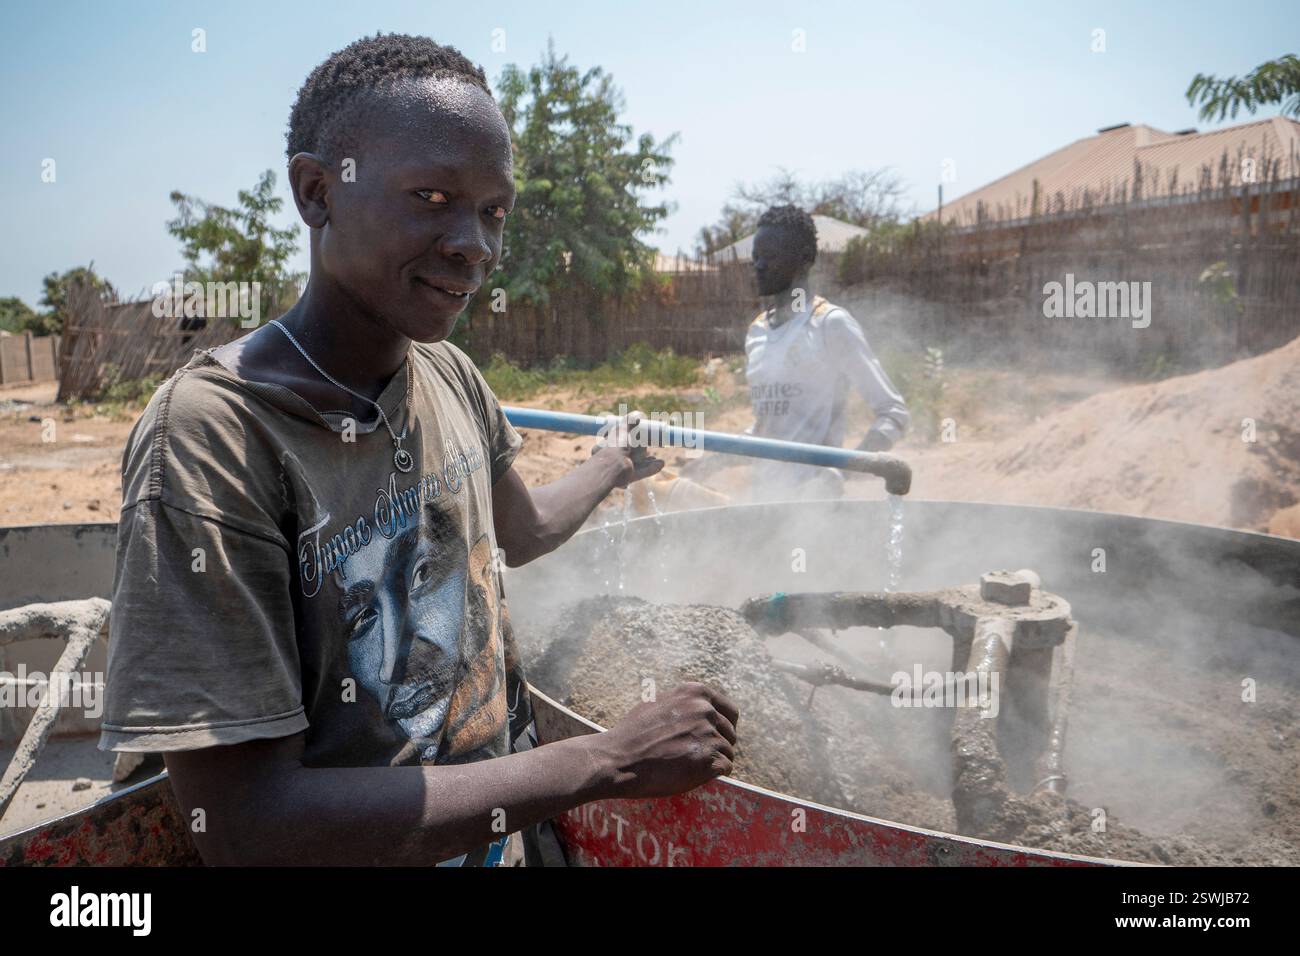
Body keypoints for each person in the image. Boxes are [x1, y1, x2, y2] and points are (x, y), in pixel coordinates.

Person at [98, 33, 738, 867]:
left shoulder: (447, 373)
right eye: (433, 196)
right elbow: (248, 825)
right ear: (318, 192)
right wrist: (603, 761)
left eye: (494, 210)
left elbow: (522, 530)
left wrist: (611, 464)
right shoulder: (215, 437)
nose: (476, 242)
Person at [744, 205, 909, 500]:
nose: (759, 266)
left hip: (816, 508)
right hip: (763, 500)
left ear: (806, 258)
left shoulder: (829, 325)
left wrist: (843, 471)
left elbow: (893, 413)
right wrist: (712, 459)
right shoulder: (757, 332)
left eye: (770, 257)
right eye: (756, 256)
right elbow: (764, 425)